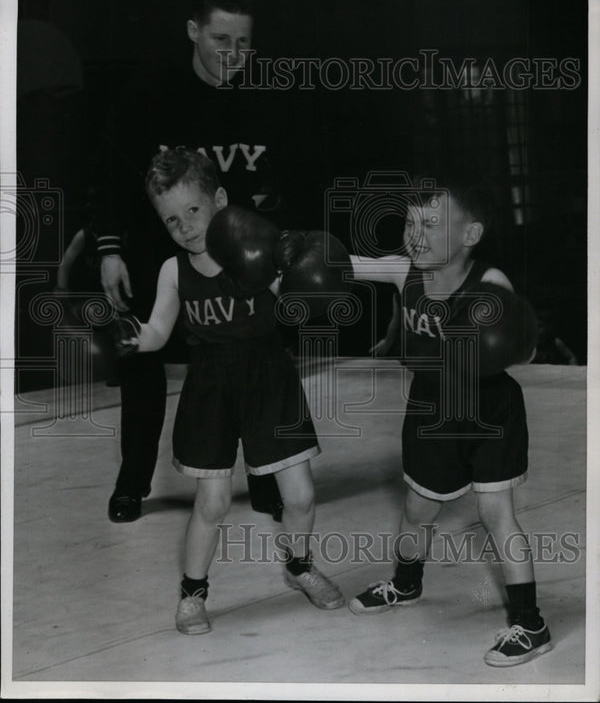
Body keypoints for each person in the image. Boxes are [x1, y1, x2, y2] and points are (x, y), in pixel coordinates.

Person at [111, 146, 345, 634]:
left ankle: (300, 566)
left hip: (269, 380)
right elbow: (157, 330)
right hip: (210, 389)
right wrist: (132, 337)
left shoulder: (255, 254)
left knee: (300, 496)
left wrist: (306, 271)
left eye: (193, 210)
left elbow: (299, 299)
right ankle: (193, 593)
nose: (186, 226)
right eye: (172, 220)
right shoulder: (174, 272)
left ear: (219, 199)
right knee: (212, 504)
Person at [90, 0, 284, 522]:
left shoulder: (267, 100)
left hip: (236, 261)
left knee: (250, 368)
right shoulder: (146, 94)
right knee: (141, 363)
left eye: (245, 43)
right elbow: (107, 179)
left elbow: (292, 184)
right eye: (221, 39)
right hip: (158, 255)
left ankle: (265, 477)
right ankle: (133, 482)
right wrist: (110, 250)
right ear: (193, 31)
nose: (234, 54)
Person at [348, 175, 552, 667]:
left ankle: (531, 623)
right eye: (410, 222)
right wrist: (286, 259)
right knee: (418, 509)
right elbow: (345, 265)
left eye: (431, 224)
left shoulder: (491, 283)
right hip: (430, 407)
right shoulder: (404, 271)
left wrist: (510, 339)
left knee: (495, 513)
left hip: (488, 411)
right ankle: (406, 584)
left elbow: (523, 344)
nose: (415, 234)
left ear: (470, 235)